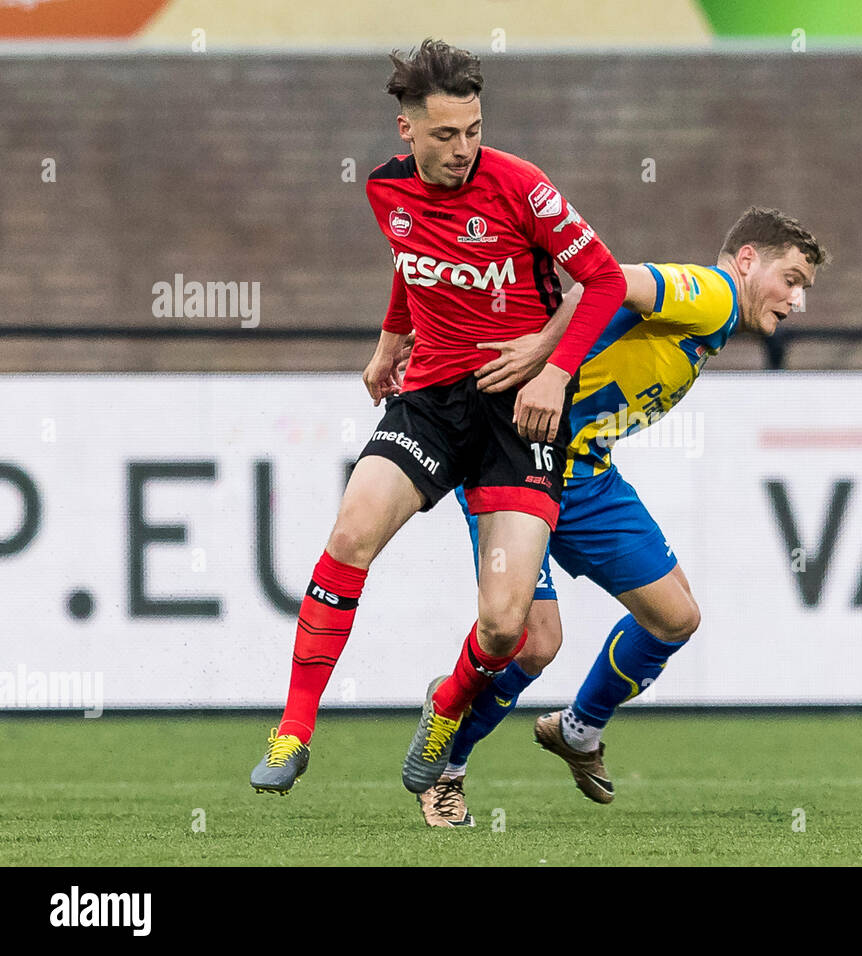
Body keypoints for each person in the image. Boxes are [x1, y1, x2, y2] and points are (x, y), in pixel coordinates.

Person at [249, 38, 626, 795]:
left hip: (518, 416)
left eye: (475, 130)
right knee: (351, 531)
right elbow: (410, 255)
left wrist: (553, 372)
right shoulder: (385, 191)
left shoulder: (521, 187)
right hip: (427, 402)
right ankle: (292, 731)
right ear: (408, 131)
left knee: (505, 626)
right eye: (447, 135)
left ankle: (448, 704)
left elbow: (606, 280)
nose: (464, 149)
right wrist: (390, 344)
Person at [413, 206, 827, 826]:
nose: (797, 300)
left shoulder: (712, 323)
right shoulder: (712, 295)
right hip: (516, 459)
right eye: (790, 279)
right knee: (533, 644)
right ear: (747, 261)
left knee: (674, 617)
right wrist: (549, 363)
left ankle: (577, 730)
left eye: (804, 289)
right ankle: (446, 767)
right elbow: (605, 278)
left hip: (585, 474)